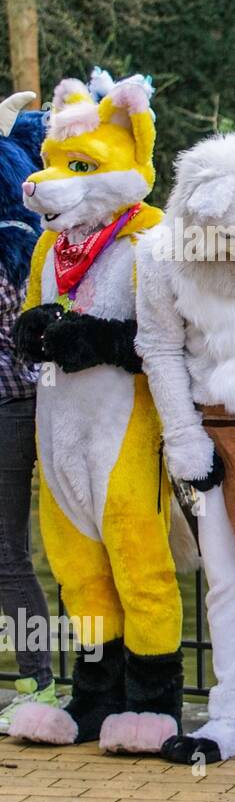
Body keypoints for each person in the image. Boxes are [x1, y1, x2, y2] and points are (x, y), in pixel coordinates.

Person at [0, 90, 58, 733]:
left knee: (7, 553)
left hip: (11, 407)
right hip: (19, 403)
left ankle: (38, 680)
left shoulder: (13, 248)